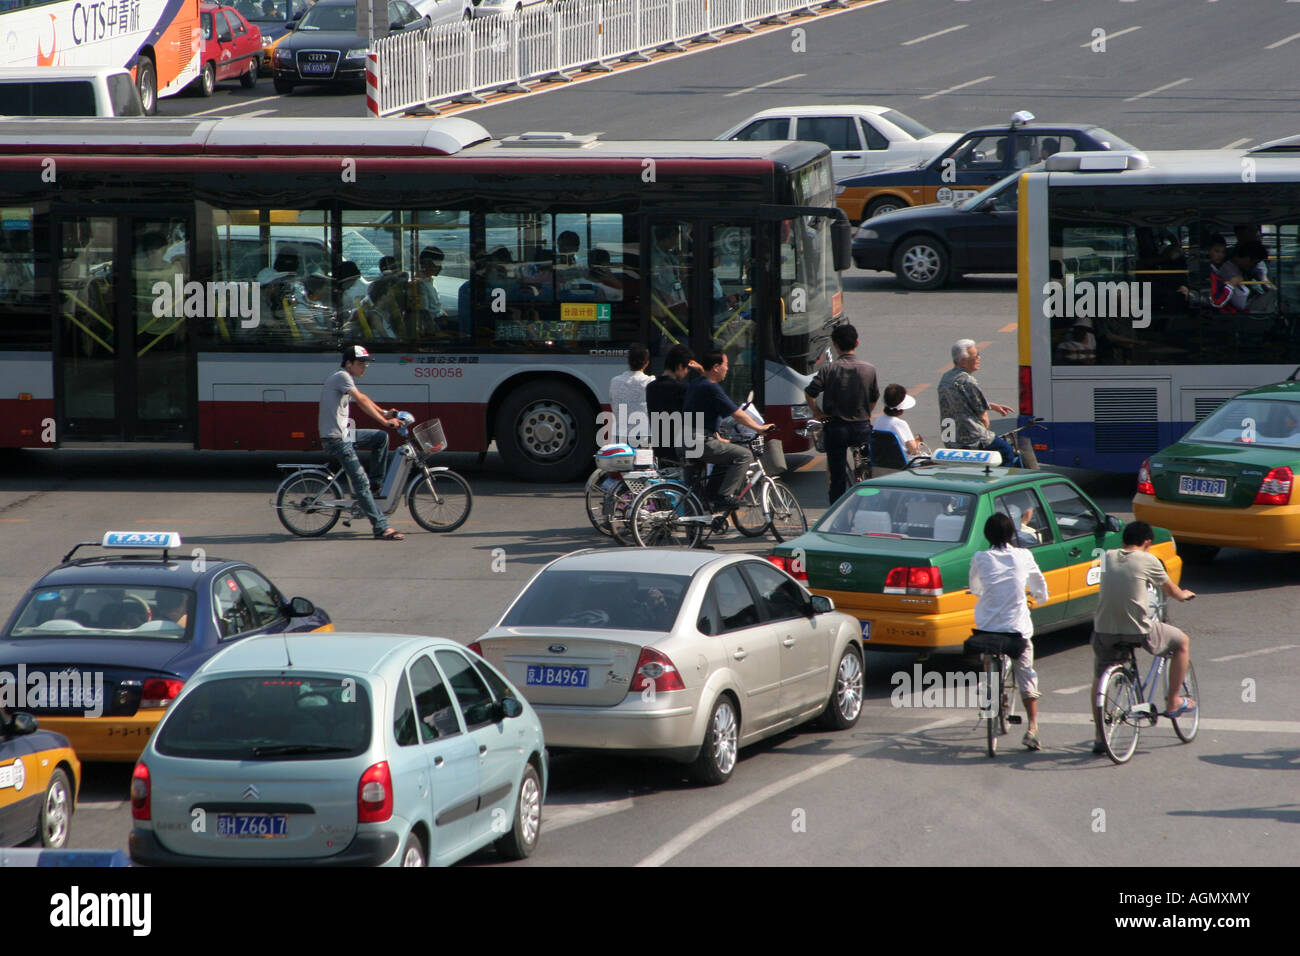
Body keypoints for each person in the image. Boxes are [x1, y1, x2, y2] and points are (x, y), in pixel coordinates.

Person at [1090, 520, 1196, 753]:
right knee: (1181, 642)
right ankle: (1173, 701)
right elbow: (1173, 592)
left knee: (1100, 673)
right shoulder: (1148, 560)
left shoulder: (1106, 556)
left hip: (1103, 629)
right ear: (1147, 542)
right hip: (1137, 629)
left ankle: (1099, 735)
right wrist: (1185, 594)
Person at [969, 512, 1049, 750]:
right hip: (1017, 630)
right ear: (1012, 534)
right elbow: (1038, 584)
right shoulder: (1023, 555)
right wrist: (1040, 598)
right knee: (1026, 674)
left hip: (987, 628)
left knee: (988, 656)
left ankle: (989, 689)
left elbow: (975, 587)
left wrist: (987, 595)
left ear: (987, 535)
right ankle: (1032, 728)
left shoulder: (980, 558)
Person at [318, 345, 406, 541]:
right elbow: (361, 400)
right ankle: (381, 527)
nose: (364, 368)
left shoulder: (345, 378)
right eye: (360, 364)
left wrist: (384, 412)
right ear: (348, 364)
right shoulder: (341, 376)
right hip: (337, 439)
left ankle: (375, 487)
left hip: (344, 434)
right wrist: (385, 421)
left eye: (366, 364)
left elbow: (364, 398)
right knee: (361, 483)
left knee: (380, 437)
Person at [682, 350, 774, 516]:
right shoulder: (711, 388)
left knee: (695, 490)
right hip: (699, 441)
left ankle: (695, 533)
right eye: (726, 365)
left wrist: (717, 436)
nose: (727, 369)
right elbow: (736, 413)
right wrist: (759, 428)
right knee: (744, 455)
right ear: (716, 367)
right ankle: (723, 496)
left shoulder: (697, 383)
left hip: (685, 440)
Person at [805, 324, 880, 504]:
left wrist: (818, 413)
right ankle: (864, 507)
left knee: (837, 477)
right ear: (857, 343)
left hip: (836, 428)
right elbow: (874, 397)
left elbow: (810, 393)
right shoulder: (869, 369)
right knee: (864, 474)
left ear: (835, 345)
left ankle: (837, 514)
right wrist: (866, 413)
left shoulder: (828, 370)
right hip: (861, 428)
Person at [938, 339, 1017, 462]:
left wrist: (991, 406)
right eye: (976, 356)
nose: (979, 358)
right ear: (963, 362)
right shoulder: (968, 381)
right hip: (970, 439)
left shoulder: (946, 378)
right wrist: (986, 433)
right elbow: (983, 417)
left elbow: (959, 403)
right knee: (1006, 451)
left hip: (950, 438)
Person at [645, 344, 701, 461]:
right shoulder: (682, 389)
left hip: (659, 450)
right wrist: (702, 371)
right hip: (680, 451)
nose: (687, 372)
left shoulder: (650, 387)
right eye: (687, 369)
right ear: (680, 366)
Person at [1178, 234, 1247, 313]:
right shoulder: (1207, 271)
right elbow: (1217, 302)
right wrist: (1232, 283)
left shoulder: (1214, 269)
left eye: (1223, 252)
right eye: (1217, 251)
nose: (1220, 255)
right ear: (1207, 251)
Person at [609, 343, 654, 445]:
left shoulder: (615, 381)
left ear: (628, 361)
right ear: (647, 363)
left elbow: (613, 405)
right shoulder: (650, 382)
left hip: (619, 438)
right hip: (642, 439)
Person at [873, 383, 925, 460]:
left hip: (880, 462)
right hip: (900, 464)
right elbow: (914, 450)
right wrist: (918, 443)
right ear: (902, 408)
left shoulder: (878, 420)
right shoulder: (900, 424)